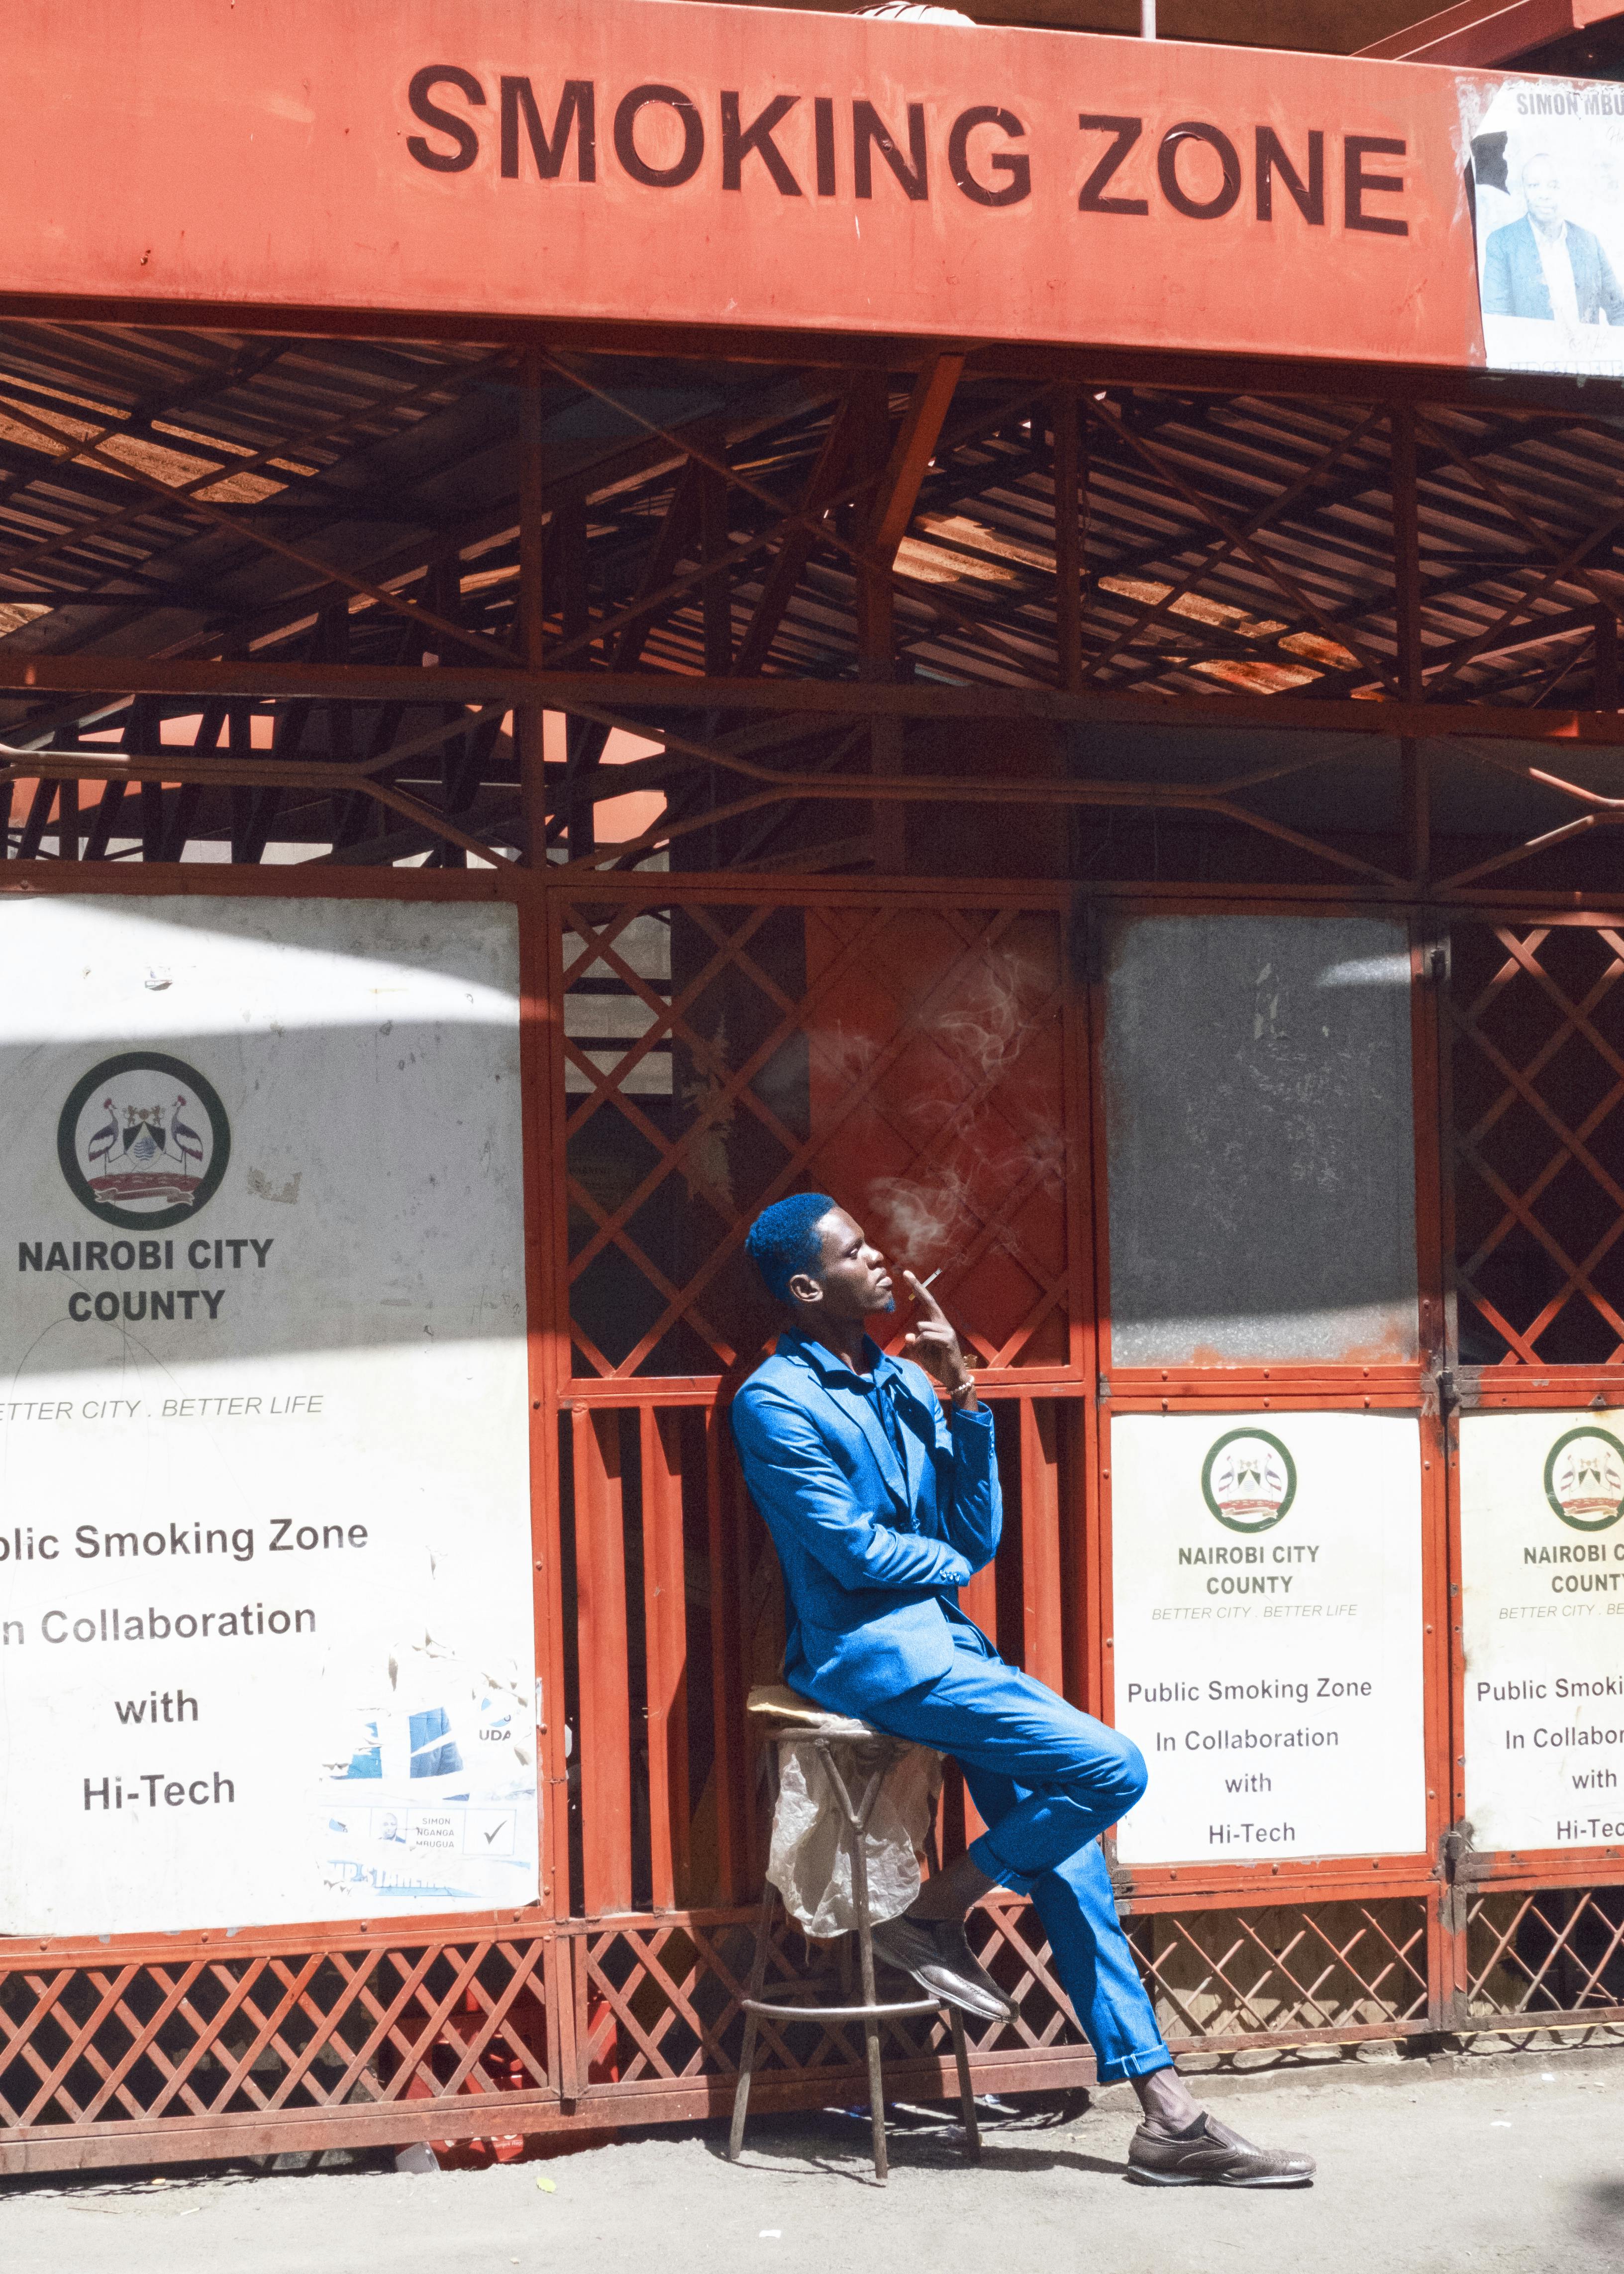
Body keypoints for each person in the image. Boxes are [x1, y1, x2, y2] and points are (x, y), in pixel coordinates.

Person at [730, 1192, 1315, 2188]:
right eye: (854, 1249)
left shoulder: (906, 1385)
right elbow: (850, 1551)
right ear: (804, 1284)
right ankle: (934, 1908)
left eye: (873, 1242)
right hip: (870, 1657)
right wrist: (942, 1560)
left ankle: (1169, 2117)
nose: (881, 1259)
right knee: (1111, 1763)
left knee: (1076, 1861)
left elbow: (978, 1531)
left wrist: (965, 1402)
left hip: (948, 1645)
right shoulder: (775, 1399)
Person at [1482, 153, 1624, 328]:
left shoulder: (1589, 243)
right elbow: (1498, 323)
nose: (1544, 195)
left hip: (1588, 354)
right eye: (1534, 186)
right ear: (1524, 191)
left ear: (1566, 191)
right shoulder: (1502, 244)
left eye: (1554, 186)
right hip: (1530, 354)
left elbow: (1619, 309)